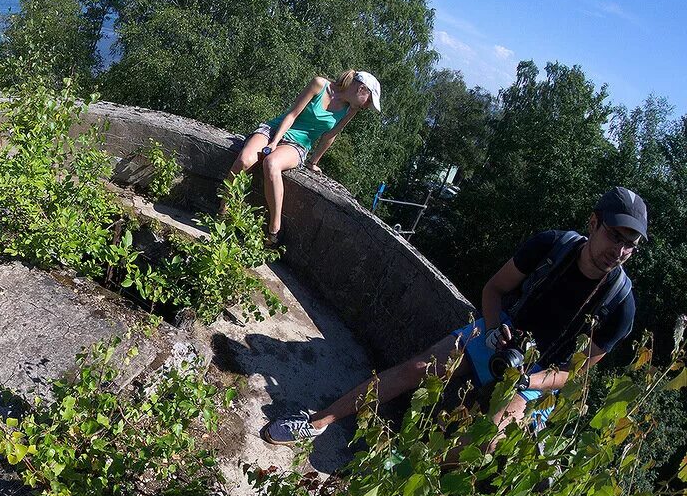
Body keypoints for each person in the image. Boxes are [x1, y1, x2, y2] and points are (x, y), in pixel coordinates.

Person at [261, 187, 646, 446]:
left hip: (536, 377)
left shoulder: (620, 305)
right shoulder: (552, 246)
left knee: (487, 440)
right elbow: (493, 290)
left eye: (630, 245)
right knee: (417, 368)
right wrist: (494, 329)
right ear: (594, 223)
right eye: (615, 236)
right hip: (497, 336)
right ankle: (318, 422)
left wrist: (526, 379)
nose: (620, 251)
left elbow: (576, 372)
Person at [223, 70, 382, 245]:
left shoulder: (350, 110)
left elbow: (330, 135)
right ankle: (223, 211)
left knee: (271, 164)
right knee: (244, 160)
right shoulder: (319, 85)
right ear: (361, 89)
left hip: (297, 145)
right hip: (273, 130)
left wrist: (313, 162)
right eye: (368, 101)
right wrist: (274, 142)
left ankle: (274, 230)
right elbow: (292, 114)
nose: (367, 106)